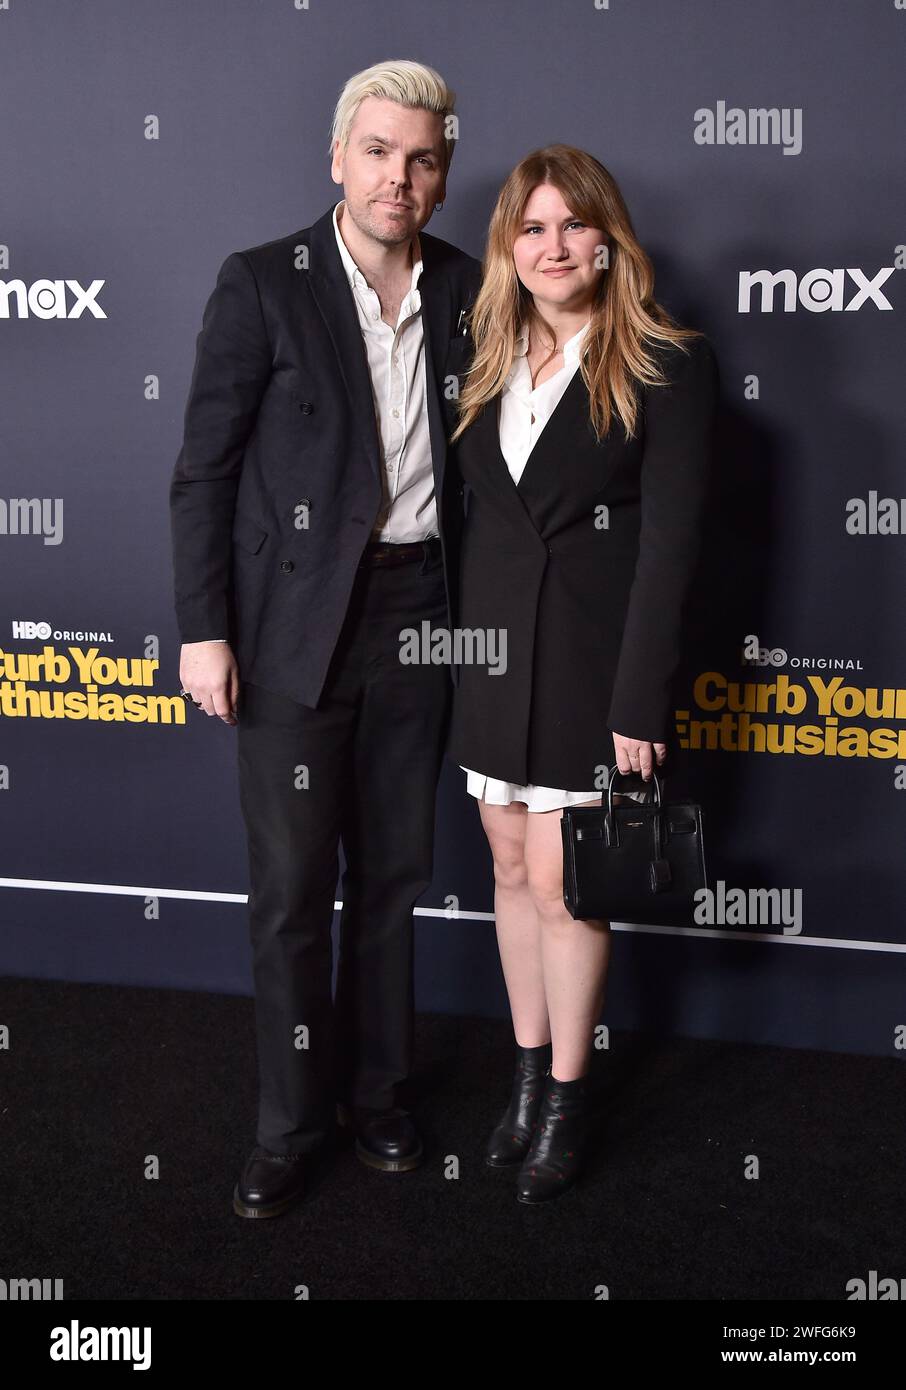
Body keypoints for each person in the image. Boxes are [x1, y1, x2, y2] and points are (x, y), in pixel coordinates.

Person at [170, 60, 481, 1219]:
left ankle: (380, 1094)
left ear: (442, 179)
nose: (399, 176)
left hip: (421, 616)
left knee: (396, 878)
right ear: (338, 157)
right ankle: (291, 1124)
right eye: (379, 152)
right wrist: (206, 633)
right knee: (296, 888)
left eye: (422, 159)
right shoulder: (262, 284)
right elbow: (202, 474)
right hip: (291, 627)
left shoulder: (466, 287)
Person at [446, 144, 718, 1203]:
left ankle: (566, 1098)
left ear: (609, 238)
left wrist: (639, 699)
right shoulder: (486, 361)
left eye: (572, 224)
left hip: (594, 673)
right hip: (493, 668)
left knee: (568, 888)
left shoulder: (664, 363)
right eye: (532, 228)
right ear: (510, 249)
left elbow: (672, 550)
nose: (552, 246)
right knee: (510, 873)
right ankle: (522, 1078)